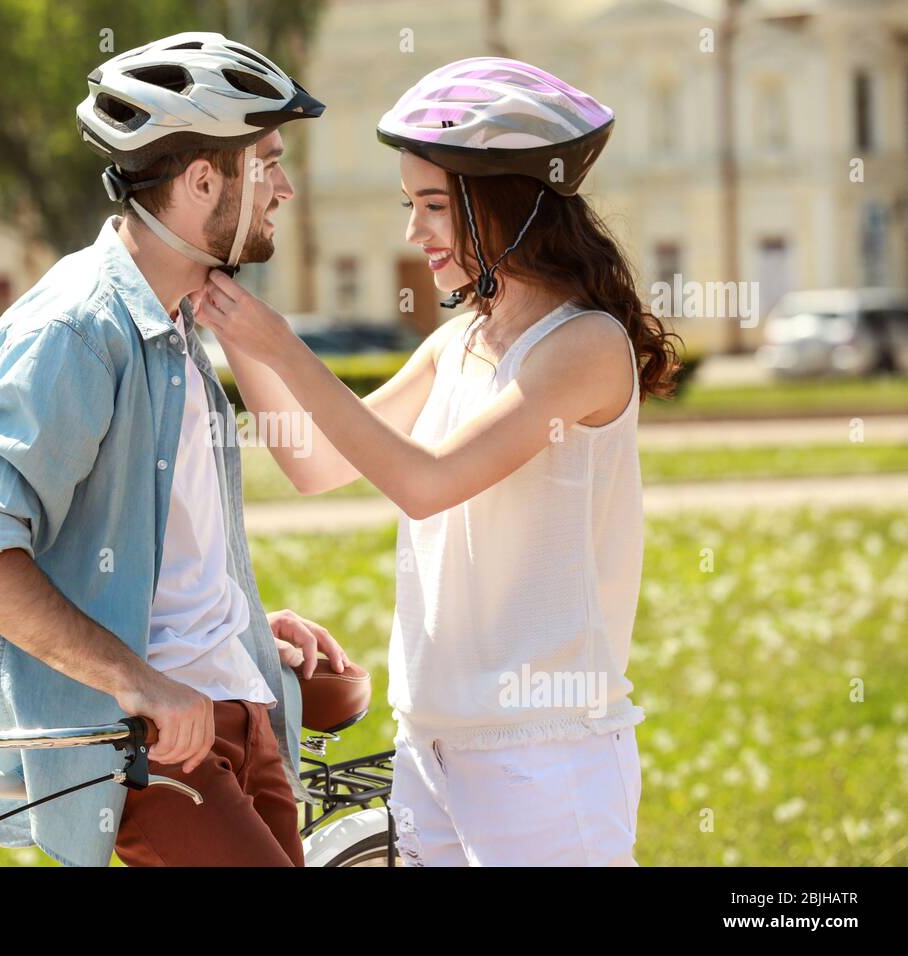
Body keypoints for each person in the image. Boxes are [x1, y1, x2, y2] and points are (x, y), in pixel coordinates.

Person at [193, 58, 684, 866]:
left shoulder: (581, 346)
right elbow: (314, 462)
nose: (414, 233)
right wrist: (233, 330)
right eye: (409, 206)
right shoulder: (460, 339)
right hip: (432, 746)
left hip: (543, 755)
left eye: (432, 207)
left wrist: (278, 340)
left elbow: (424, 483)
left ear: (507, 205)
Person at [0, 32, 349, 867]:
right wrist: (140, 681)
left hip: (238, 709)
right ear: (202, 181)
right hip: (150, 746)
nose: (286, 188)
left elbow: (154, 544)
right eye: (267, 162)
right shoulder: (79, 332)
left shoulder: (183, 321)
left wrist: (241, 621)